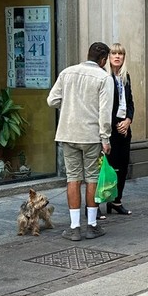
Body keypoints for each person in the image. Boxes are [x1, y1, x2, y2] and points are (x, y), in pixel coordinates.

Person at [47, 42, 112, 240]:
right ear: (102, 60)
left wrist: (69, 107)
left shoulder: (67, 72)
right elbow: (105, 112)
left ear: (87, 54)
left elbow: (52, 100)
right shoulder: (104, 77)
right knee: (92, 177)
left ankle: (74, 227)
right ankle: (92, 225)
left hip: (68, 132)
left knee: (73, 178)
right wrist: (106, 138)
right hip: (91, 135)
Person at [106, 43, 135, 216]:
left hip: (125, 127)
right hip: (111, 128)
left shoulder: (126, 77)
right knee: (108, 168)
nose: (117, 56)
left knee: (123, 167)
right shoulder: (105, 77)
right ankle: (99, 202)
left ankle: (117, 201)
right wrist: (117, 123)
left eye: (120, 54)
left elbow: (130, 102)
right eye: (114, 53)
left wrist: (128, 120)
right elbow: (103, 106)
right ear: (108, 57)